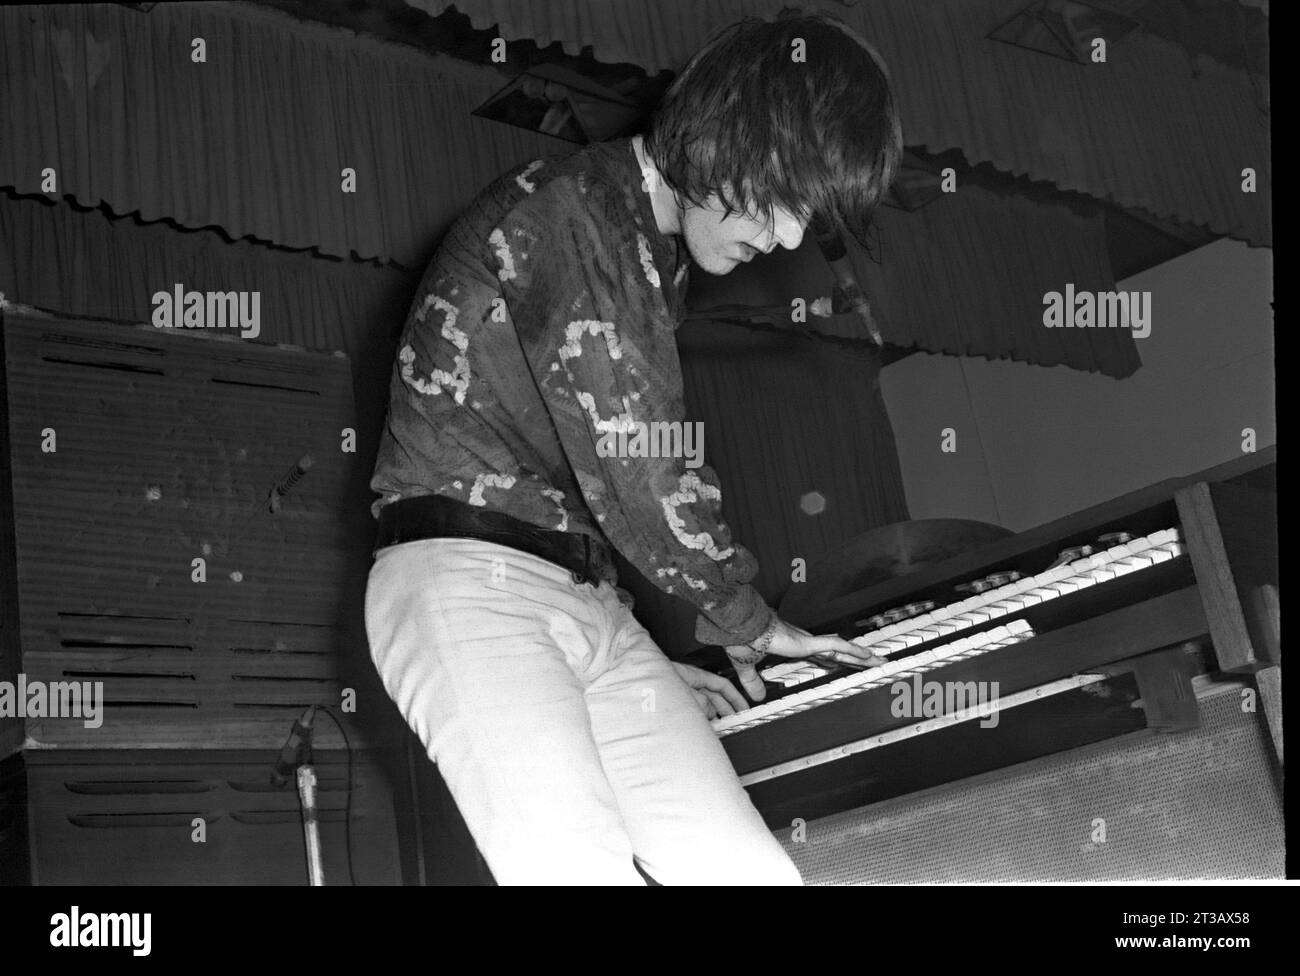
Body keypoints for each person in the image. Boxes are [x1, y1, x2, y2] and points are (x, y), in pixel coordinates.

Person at [364, 12, 902, 885]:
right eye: (786, 197)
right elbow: (645, 466)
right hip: (470, 583)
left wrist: (622, 666)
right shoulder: (578, 213)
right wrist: (747, 618)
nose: (790, 238)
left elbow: (601, 488)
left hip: (585, 603)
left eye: (807, 213)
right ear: (726, 134)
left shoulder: (650, 251)